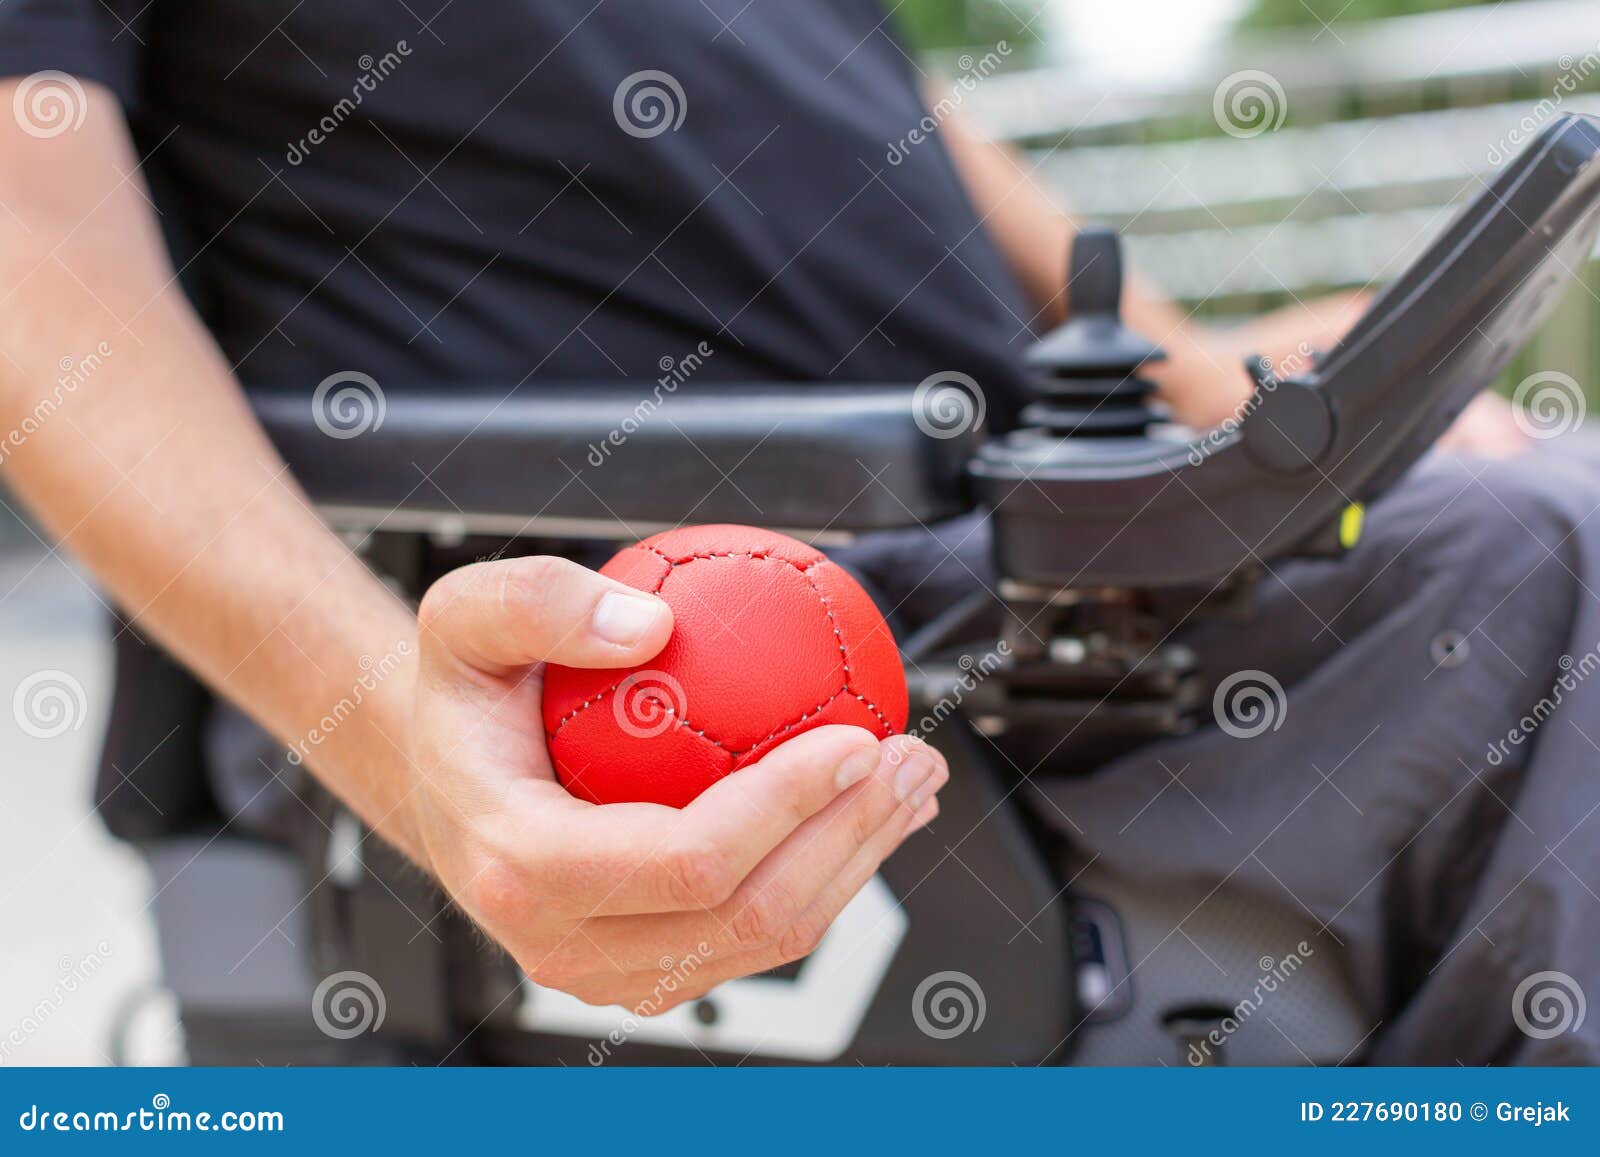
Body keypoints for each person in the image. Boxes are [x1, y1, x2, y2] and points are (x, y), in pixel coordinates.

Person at [0, 2, 1590, 1065]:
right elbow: (28, 235)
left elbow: (894, 110)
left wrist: (1220, 394)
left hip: (1016, 514)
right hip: (646, 593)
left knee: (1510, 489)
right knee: (1543, 568)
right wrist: (390, 728)